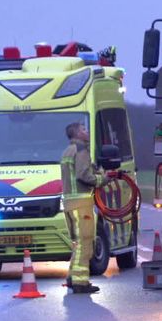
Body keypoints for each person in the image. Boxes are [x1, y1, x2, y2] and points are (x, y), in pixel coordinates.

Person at [60, 122, 105, 294]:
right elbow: (84, 175)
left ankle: (72, 277)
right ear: (77, 134)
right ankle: (81, 282)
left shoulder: (67, 151)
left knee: (78, 243)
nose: (87, 132)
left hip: (70, 203)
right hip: (81, 203)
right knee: (85, 243)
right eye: (84, 129)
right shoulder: (81, 150)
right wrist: (102, 180)